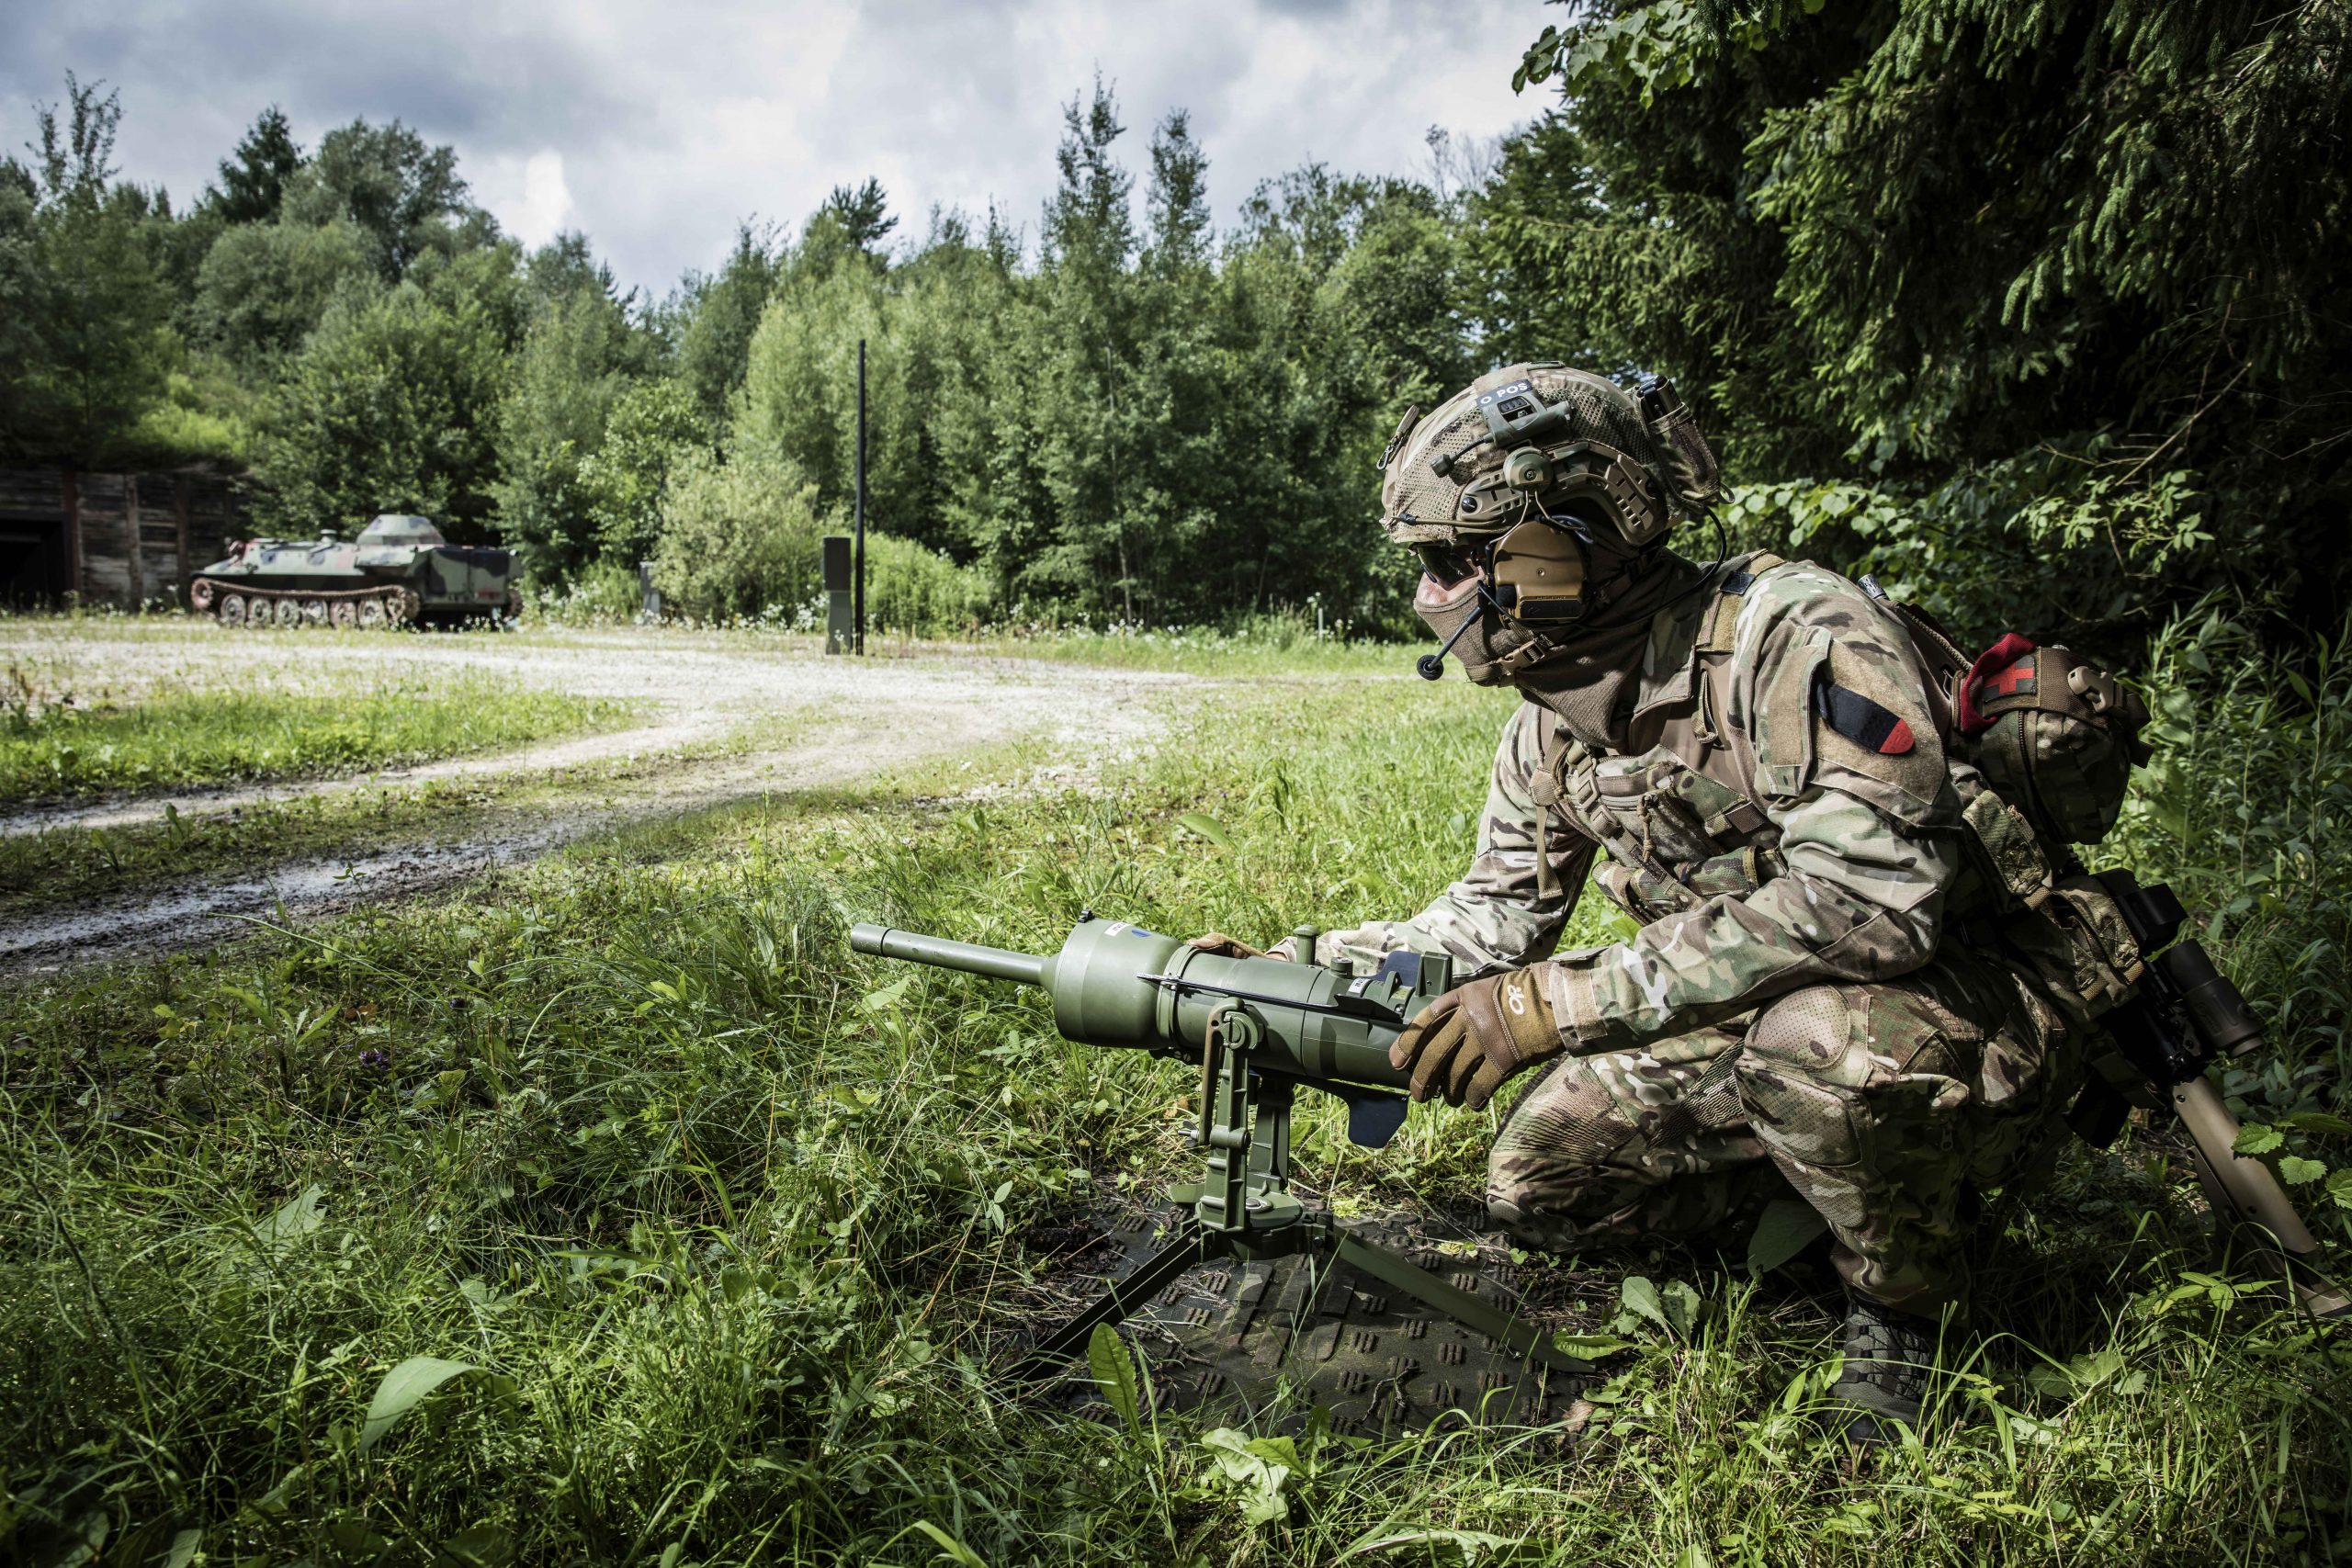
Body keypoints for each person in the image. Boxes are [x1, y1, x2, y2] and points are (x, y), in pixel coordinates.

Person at [1193, 364, 2122, 1445]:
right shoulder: (1554, 722)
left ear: (1563, 547)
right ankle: (1841, 1201)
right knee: (1542, 1177)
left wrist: (1548, 1007)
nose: (1427, 598)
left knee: (1814, 1051)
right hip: (1770, 1010)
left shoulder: (1792, 634)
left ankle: (1909, 1308)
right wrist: (1299, 969)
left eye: (1452, 561)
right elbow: (1493, 916)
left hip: (1968, 994)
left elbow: (1871, 905)